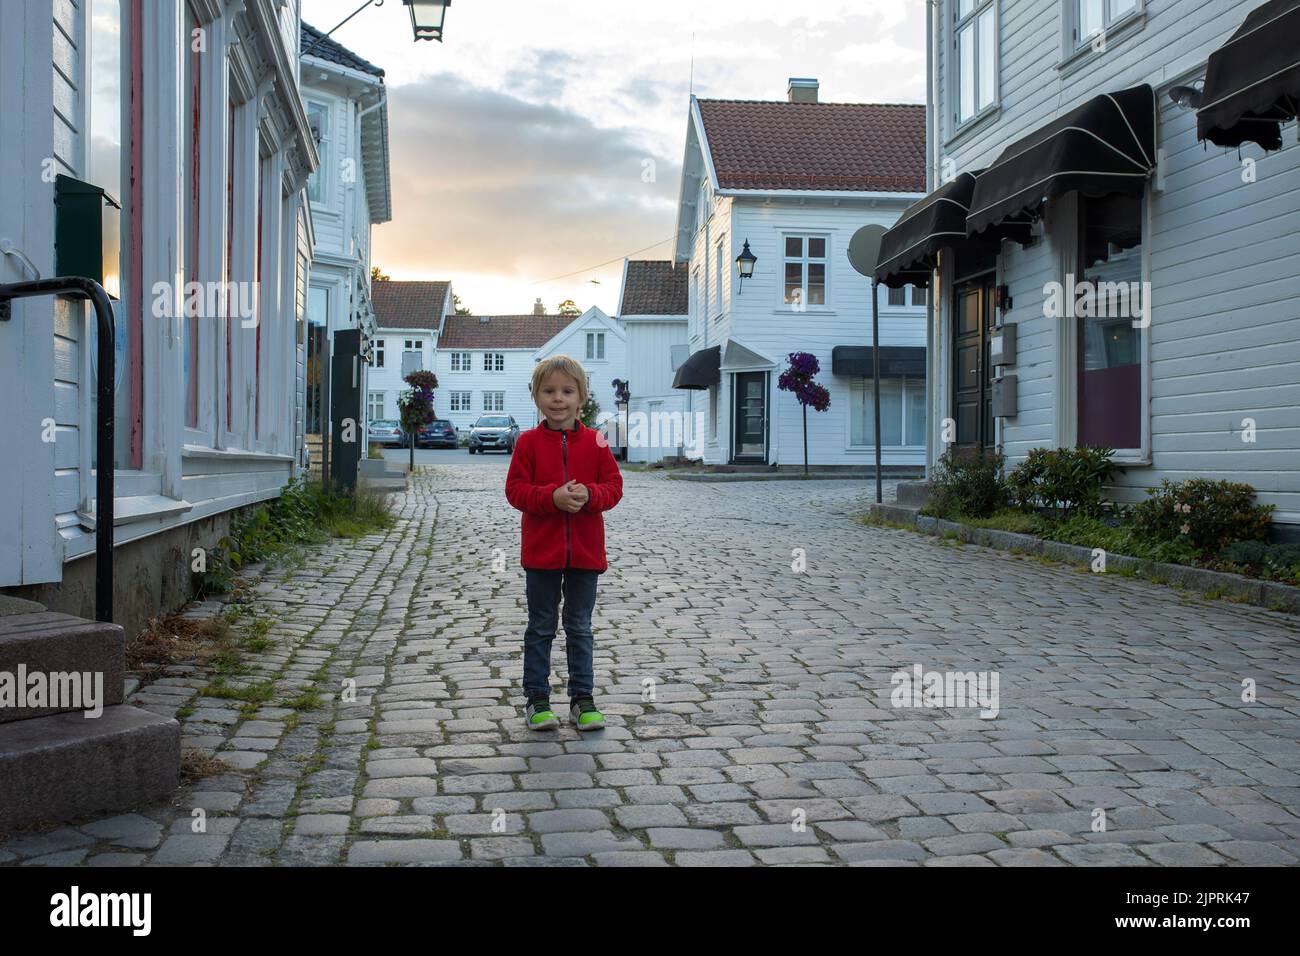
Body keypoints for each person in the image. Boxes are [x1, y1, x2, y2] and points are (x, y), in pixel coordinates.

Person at [505, 355, 623, 731]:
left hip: (586, 556)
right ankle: (537, 700)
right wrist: (550, 499)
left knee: (579, 626)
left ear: (582, 397)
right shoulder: (527, 443)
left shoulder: (597, 442)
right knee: (540, 626)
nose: (558, 399)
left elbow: (614, 487)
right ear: (536, 396)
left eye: (567, 391)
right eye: (549, 391)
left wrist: (589, 495)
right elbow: (516, 491)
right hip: (541, 554)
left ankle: (582, 699)